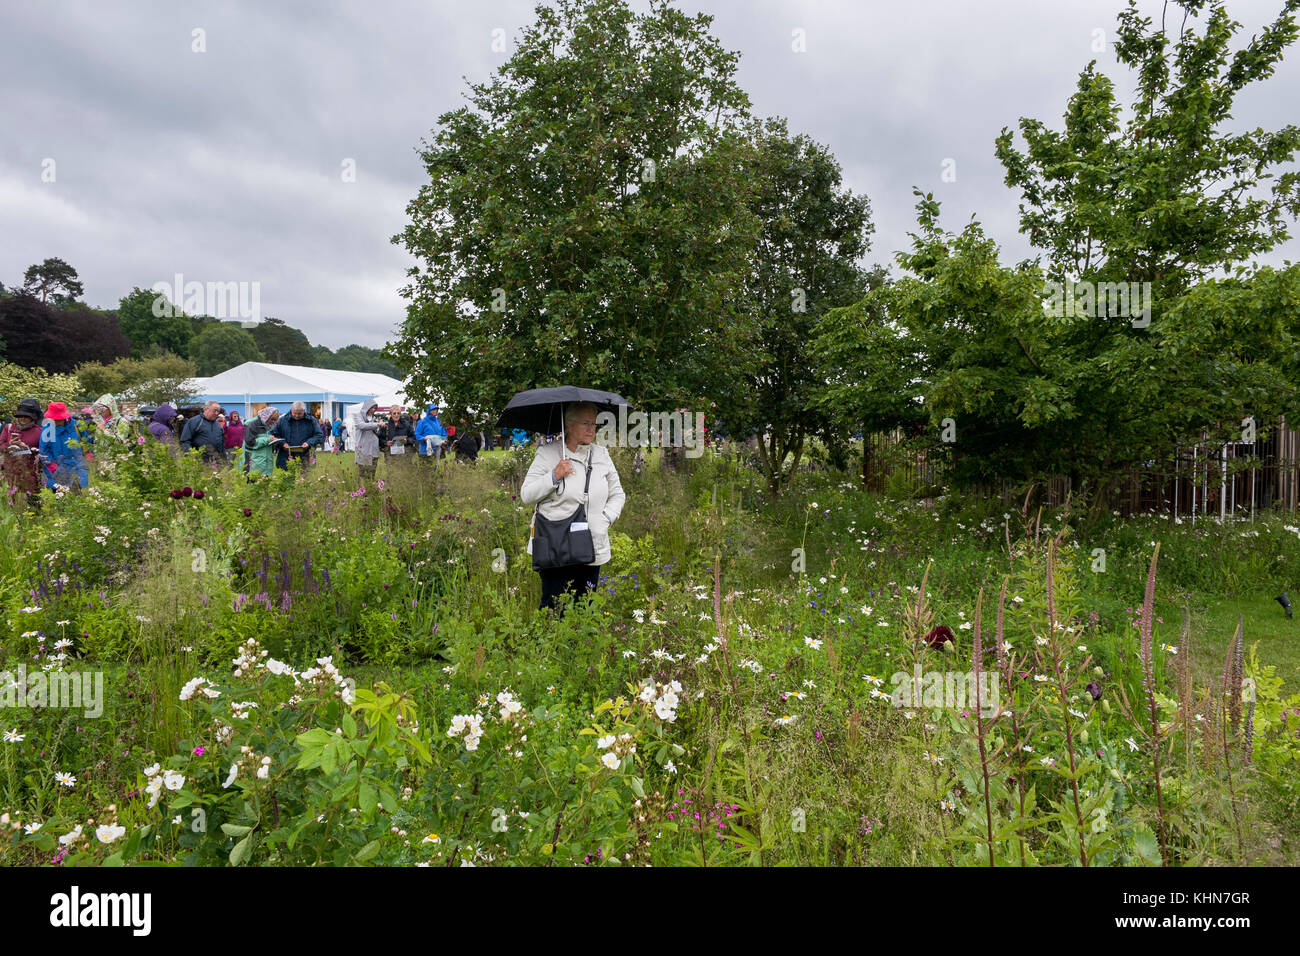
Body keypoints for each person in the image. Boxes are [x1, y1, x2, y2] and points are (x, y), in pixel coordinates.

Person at [520, 402, 625, 611]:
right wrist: (554, 475)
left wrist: (605, 518)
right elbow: (527, 494)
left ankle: (579, 643)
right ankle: (551, 643)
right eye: (585, 423)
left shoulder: (601, 455)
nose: (591, 429)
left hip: (592, 543)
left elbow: (618, 494)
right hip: (556, 544)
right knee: (554, 606)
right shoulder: (548, 454)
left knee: (585, 605)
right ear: (568, 424)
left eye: (594, 424)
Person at [1, 398, 44, 507]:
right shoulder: (8, 428)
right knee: (10, 502)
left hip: (30, 472)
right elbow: (1, 446)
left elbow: (42, 452)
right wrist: (9, 444)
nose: (23, 419)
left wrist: (27, 448)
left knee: (34, 503)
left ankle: (35, 519)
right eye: (21, 416)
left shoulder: (39, 431)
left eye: (26, 417)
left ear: (32, 417)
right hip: (11, 470)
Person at [38, 401, 89, 491]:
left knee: (76, 498)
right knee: (60, 499)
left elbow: (86, 442)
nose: (54, 421)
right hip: (57, 471)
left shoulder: (77, 426)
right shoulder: (48, 429)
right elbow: (44, 451)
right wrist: (54, 468)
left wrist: (89, 455)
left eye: (57, 419)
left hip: (77, 469)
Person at [270, 401, 323, 470]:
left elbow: (318, 435)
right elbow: (275, 435)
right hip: (285, 456)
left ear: (304, 411)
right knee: (287, 478)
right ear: (291, 410)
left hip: (306, 455)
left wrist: (308, 443)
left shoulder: (311, 420)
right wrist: (283, 443)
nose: (297, 415)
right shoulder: (282, 420)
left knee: (305, 479)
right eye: (295, 413)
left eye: (300, 414)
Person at [244, 407, 280, 478]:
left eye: (275, 420)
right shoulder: (253, 424)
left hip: (267, 462)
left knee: (265, 484)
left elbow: (267, 443)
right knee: (254, 483)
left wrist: (274, 442)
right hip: (255, 462)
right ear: (266, 416)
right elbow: (250, 442)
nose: (273, 422)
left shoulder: (268, 425)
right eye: (272, 419)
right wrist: (267, 439)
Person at [350, 401, 382, 482]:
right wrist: (377, 424)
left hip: (374, 447)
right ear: (366, 407)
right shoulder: (357, 416)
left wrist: (378, 428)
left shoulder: (374, 418)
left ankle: (371, 487)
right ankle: (362, 489)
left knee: (372, 472)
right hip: (363, 447)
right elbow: (362, 426)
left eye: (375, 408)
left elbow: (377, 432)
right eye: (372, 407)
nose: (373, 410)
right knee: (362, 473)